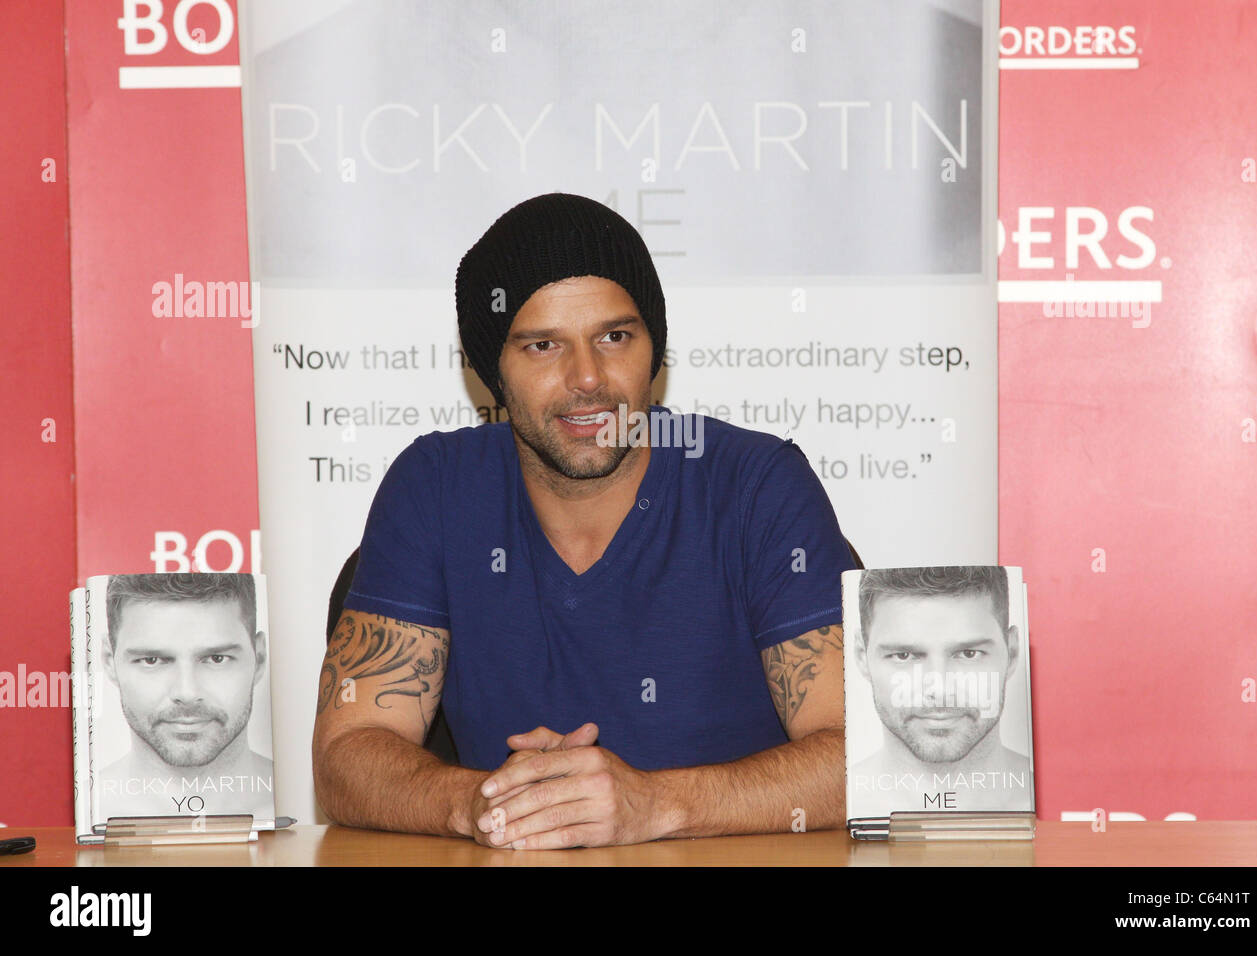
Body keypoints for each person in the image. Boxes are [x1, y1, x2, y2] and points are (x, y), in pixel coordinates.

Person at [313, 192, 854, 849]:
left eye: (615, 336)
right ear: (493, 371)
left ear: (655, 347)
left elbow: (864, 757)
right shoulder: (434, 486)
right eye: (543, 346)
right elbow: (348, 754)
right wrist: (487, 803)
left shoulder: (758, 484)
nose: (589, 377)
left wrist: (654, 806)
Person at [848, 566, 1032, 813]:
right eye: (904, 656)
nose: (940, 689)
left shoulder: (1056, 804)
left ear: (1012, 652)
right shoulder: (831, 809)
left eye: (968, 654)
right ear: (862, 656)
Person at [99, 573, 274, 822]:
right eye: (152, 660)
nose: (187, 693)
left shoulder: (302, 809)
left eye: (216, 658)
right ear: (109, 661)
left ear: (259, 658)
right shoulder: (85, 813)